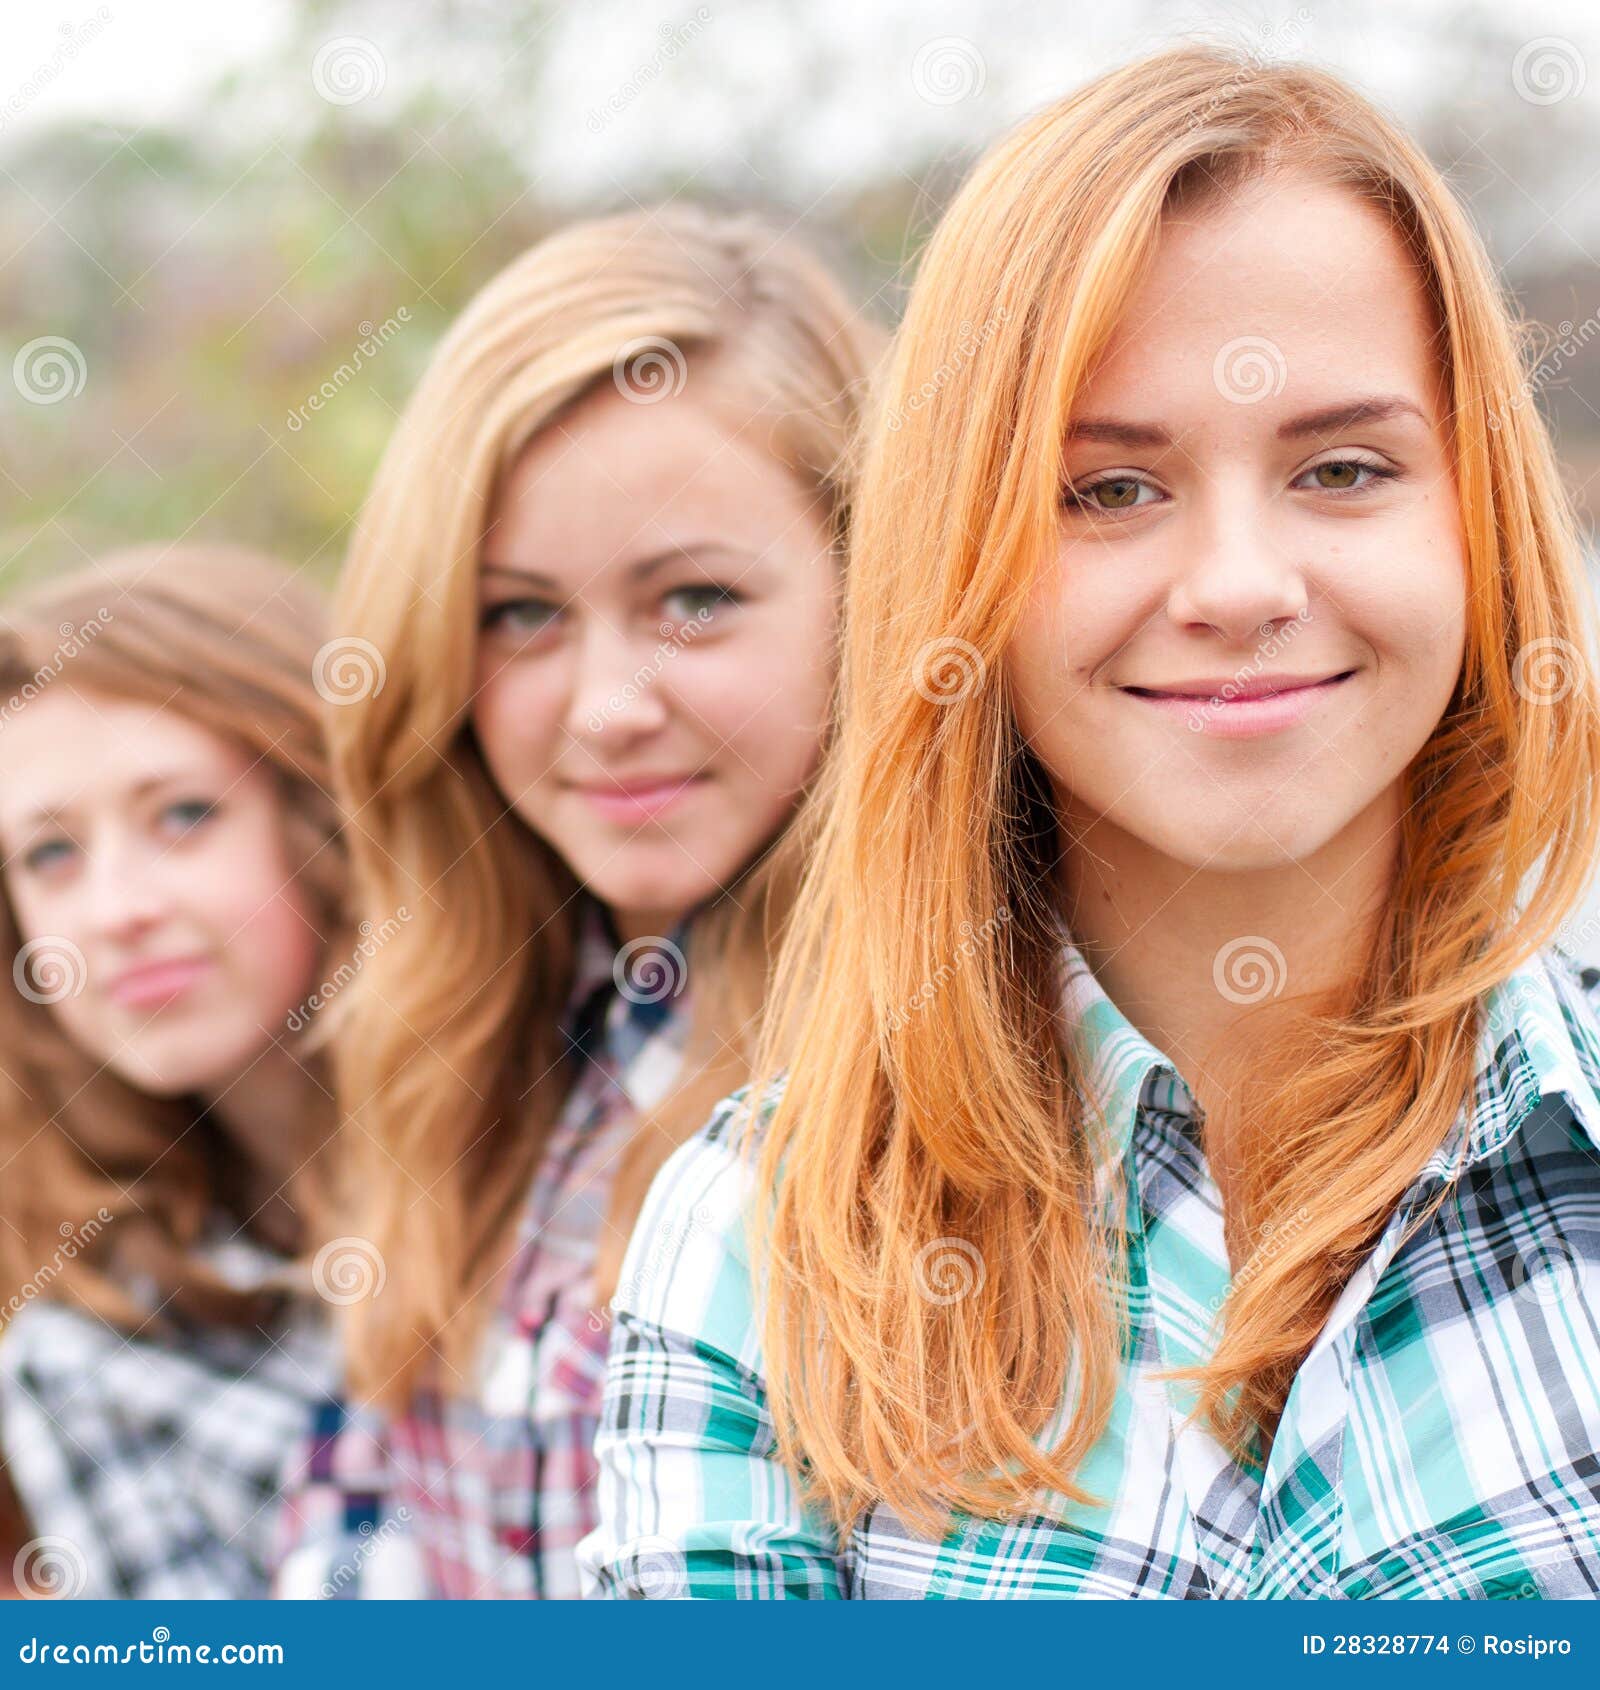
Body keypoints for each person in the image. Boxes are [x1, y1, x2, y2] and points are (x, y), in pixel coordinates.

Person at [579, 45, 1600, 1600]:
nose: (1242, 584)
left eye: (1342, 467)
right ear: (958, 565)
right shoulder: (753, 1249)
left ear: (1478, 520)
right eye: (1110, 491)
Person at [272, 203, 884, 1598]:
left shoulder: (967, 1073)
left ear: (873, 589)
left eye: (696, 599)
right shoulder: (478, 1045)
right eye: (522, 614)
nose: (608, 708)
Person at [0, 545, 347, 1599]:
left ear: (323, 814)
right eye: (50, 855)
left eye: (184, 814)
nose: (117, 909)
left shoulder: (569, 1135)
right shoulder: (90, 1333)